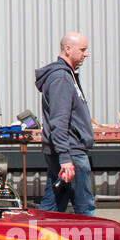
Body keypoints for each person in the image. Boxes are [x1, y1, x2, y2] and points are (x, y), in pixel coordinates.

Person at [35, 32, 95, 215]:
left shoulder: (67, 76)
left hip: (67, 151)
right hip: (71, 152)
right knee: (85, 208)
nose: (86, 54)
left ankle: (37, 239)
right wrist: (65, 158)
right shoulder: (60, 78)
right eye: (83, 50)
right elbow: (59, 121)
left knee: (54, 203)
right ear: (68, 49)